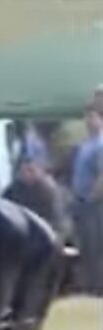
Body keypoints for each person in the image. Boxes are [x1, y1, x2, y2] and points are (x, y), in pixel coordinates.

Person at [71, 108, 103, 295]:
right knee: (85, 247)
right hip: (81, 202)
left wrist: (93, 196)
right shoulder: (86, 144)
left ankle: (98, 288)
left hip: (94, 204)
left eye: (93, 117)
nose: (89, 121)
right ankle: (91, 285)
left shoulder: (100, 144)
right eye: (87, 117)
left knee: (96, 246)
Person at [3, 153, 70, 241]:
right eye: (23, 171)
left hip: (47, 229)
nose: (27, 174)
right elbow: (4, 205)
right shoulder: (14, 188)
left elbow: (58, 217)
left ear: (40, 171)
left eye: (31, 170)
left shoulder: (48, 189)